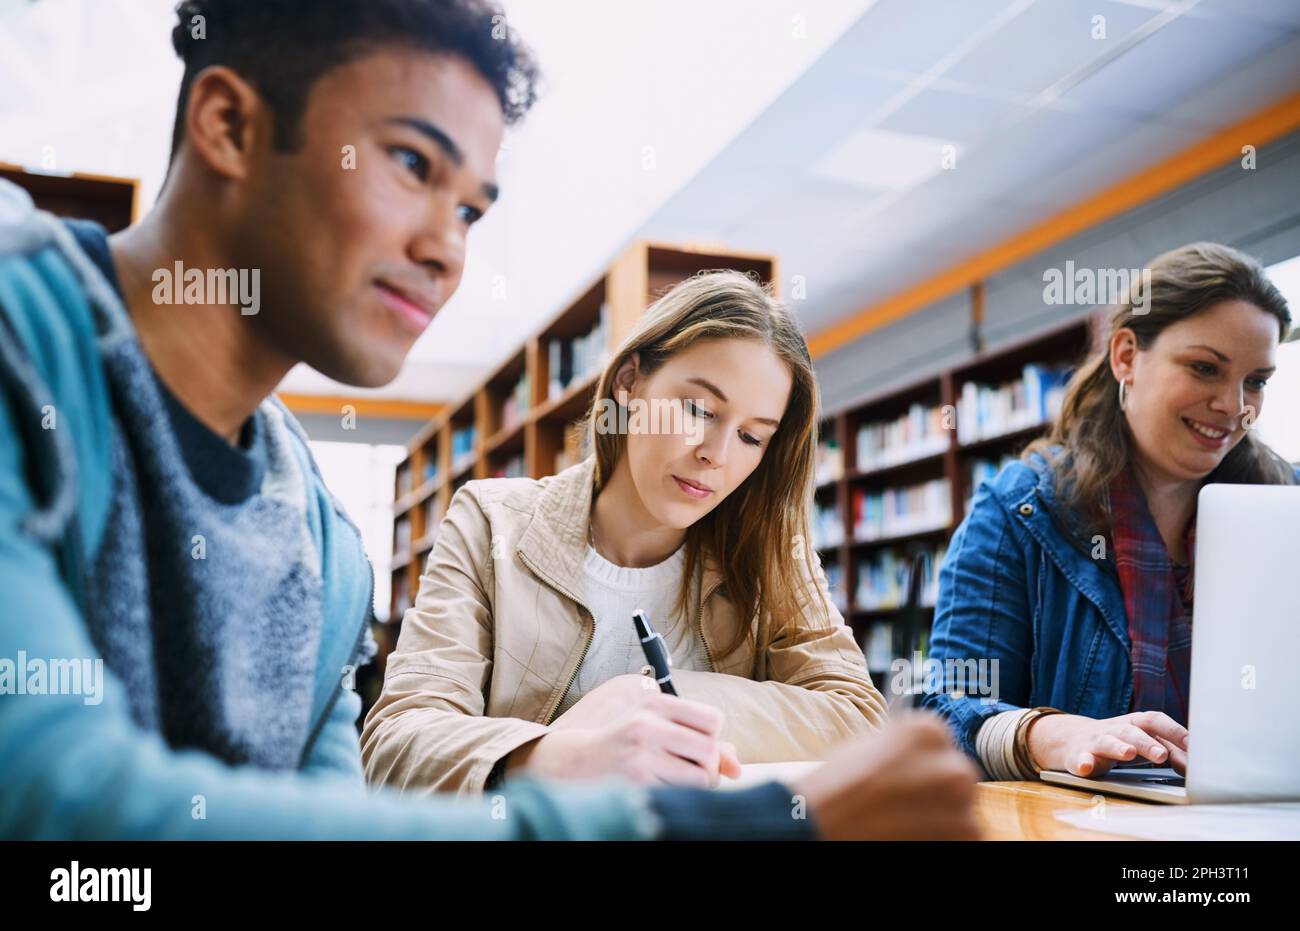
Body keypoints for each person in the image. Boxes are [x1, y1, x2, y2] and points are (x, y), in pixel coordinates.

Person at [0, 0, 978, 840]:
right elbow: (58, 801)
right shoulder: (20, 346)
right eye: (410, 164)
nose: (444, 249)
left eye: (470, 209)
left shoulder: (317, 540)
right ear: (228, 123)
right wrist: (717, 823)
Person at [362, 271, 886, 795]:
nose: (717, 455)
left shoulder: (772, 548)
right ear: (629, 385)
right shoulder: (490, 520)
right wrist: (558, 753)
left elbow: (857, 718)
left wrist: (652, 698)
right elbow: (396, 745)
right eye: (699, 409)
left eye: (751, 436)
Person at [920, 242, 1297, 782]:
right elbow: (943, 718)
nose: (1235, 405)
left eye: (1256, 381)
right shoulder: (1021, 508)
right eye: (1204, 368)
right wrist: (1048, 734)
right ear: (1126, 356)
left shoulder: (1284, 506)